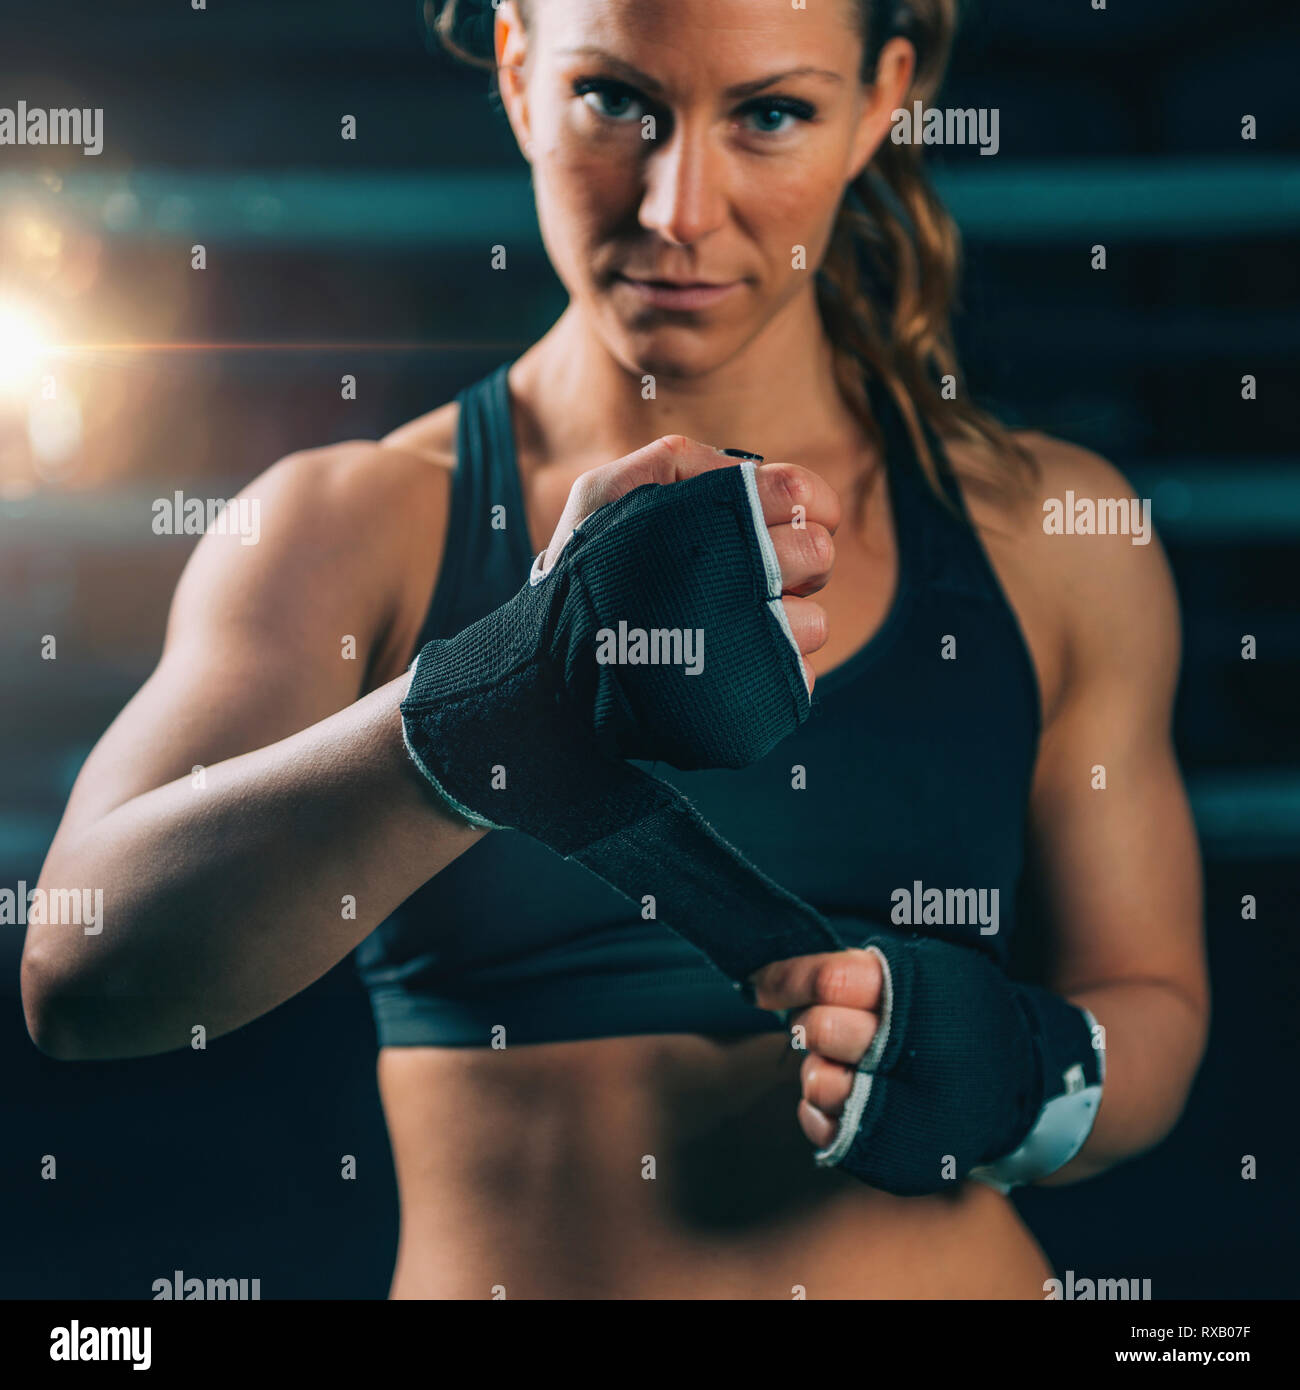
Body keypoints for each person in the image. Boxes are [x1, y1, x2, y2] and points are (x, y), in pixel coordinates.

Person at [22, 0, 1208, 1298]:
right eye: (616, 101)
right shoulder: (358, 522)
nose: (677, 209)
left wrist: (1032, 1075)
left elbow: (1151, 999)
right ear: (521, 71)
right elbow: (81, 972)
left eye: (771, 113)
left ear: (883, 101)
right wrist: (490, 706)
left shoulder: (1047, 531)